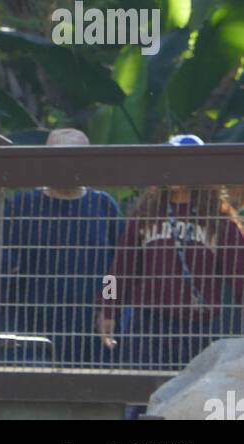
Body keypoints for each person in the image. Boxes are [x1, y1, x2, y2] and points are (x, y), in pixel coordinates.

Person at [97, 134, 244, 372]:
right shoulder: (145, 214)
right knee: (141, 394)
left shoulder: (220, 220)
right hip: (147, 324)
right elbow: (118, 269)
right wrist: (107, 308)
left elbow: (240, 274)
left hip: (197, 327)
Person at [0, 128, 123, 367]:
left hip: (91, 332)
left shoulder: (104, 206)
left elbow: (118, 268)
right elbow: (1, 268)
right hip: (31, 332)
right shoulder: (23, 206)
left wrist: (109, 310)